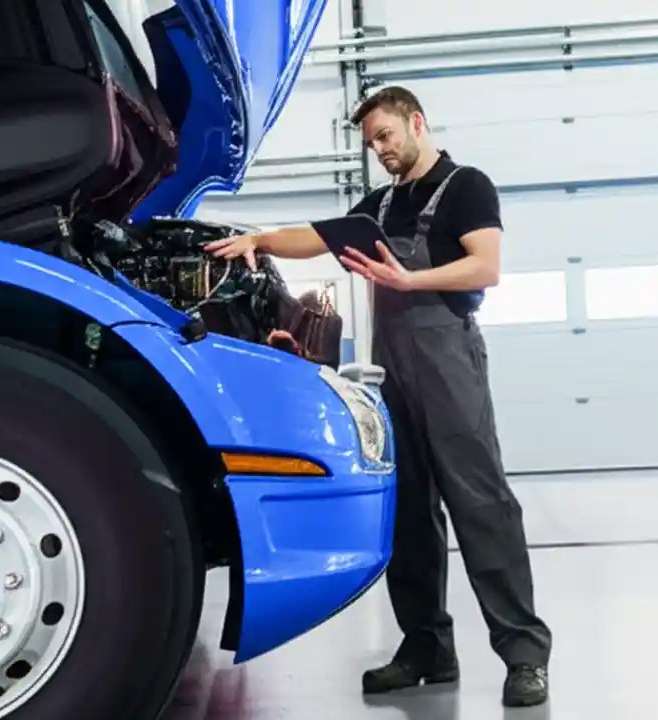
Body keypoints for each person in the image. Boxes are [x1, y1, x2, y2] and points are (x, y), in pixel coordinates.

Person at [204, 85, 552, 708]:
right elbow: (313, 235)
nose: (380, 151)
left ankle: (524, 654)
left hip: (450, 361)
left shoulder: (467, 186)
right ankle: (426, 648)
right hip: (394, 367)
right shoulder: (381, 206)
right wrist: (255, 241)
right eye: (371, 144)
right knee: (409, 512)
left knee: (480, 504)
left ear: (416, 123)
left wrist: (409, 279)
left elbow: (486, 267)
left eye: (386, 137)